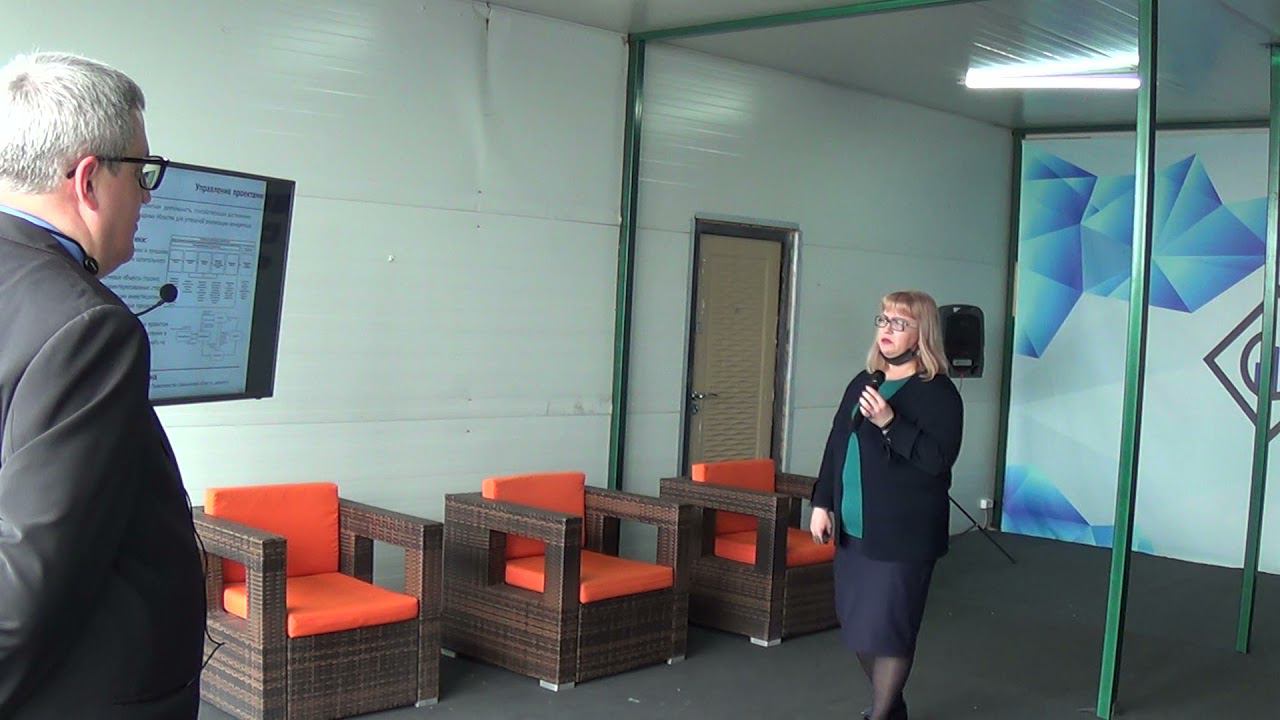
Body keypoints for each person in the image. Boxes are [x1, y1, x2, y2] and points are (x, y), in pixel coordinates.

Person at [0, 52, 205, 718]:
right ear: (89, 180)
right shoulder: (88, 327)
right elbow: (25, 585)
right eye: (142, 173)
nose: (147, 197)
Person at [810, 290, 964, 720]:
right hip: (854, 529)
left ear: (922, 333)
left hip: (904, 535)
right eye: (883, 320)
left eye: (900, 323)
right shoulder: (864, 382)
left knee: (891, 631)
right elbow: (837, 443)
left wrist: (890, 423)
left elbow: (937, 461)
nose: (887, 330)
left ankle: (881, 714)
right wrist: (822, 502)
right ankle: (892, 708)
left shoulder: (939, 393)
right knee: (859, 629)